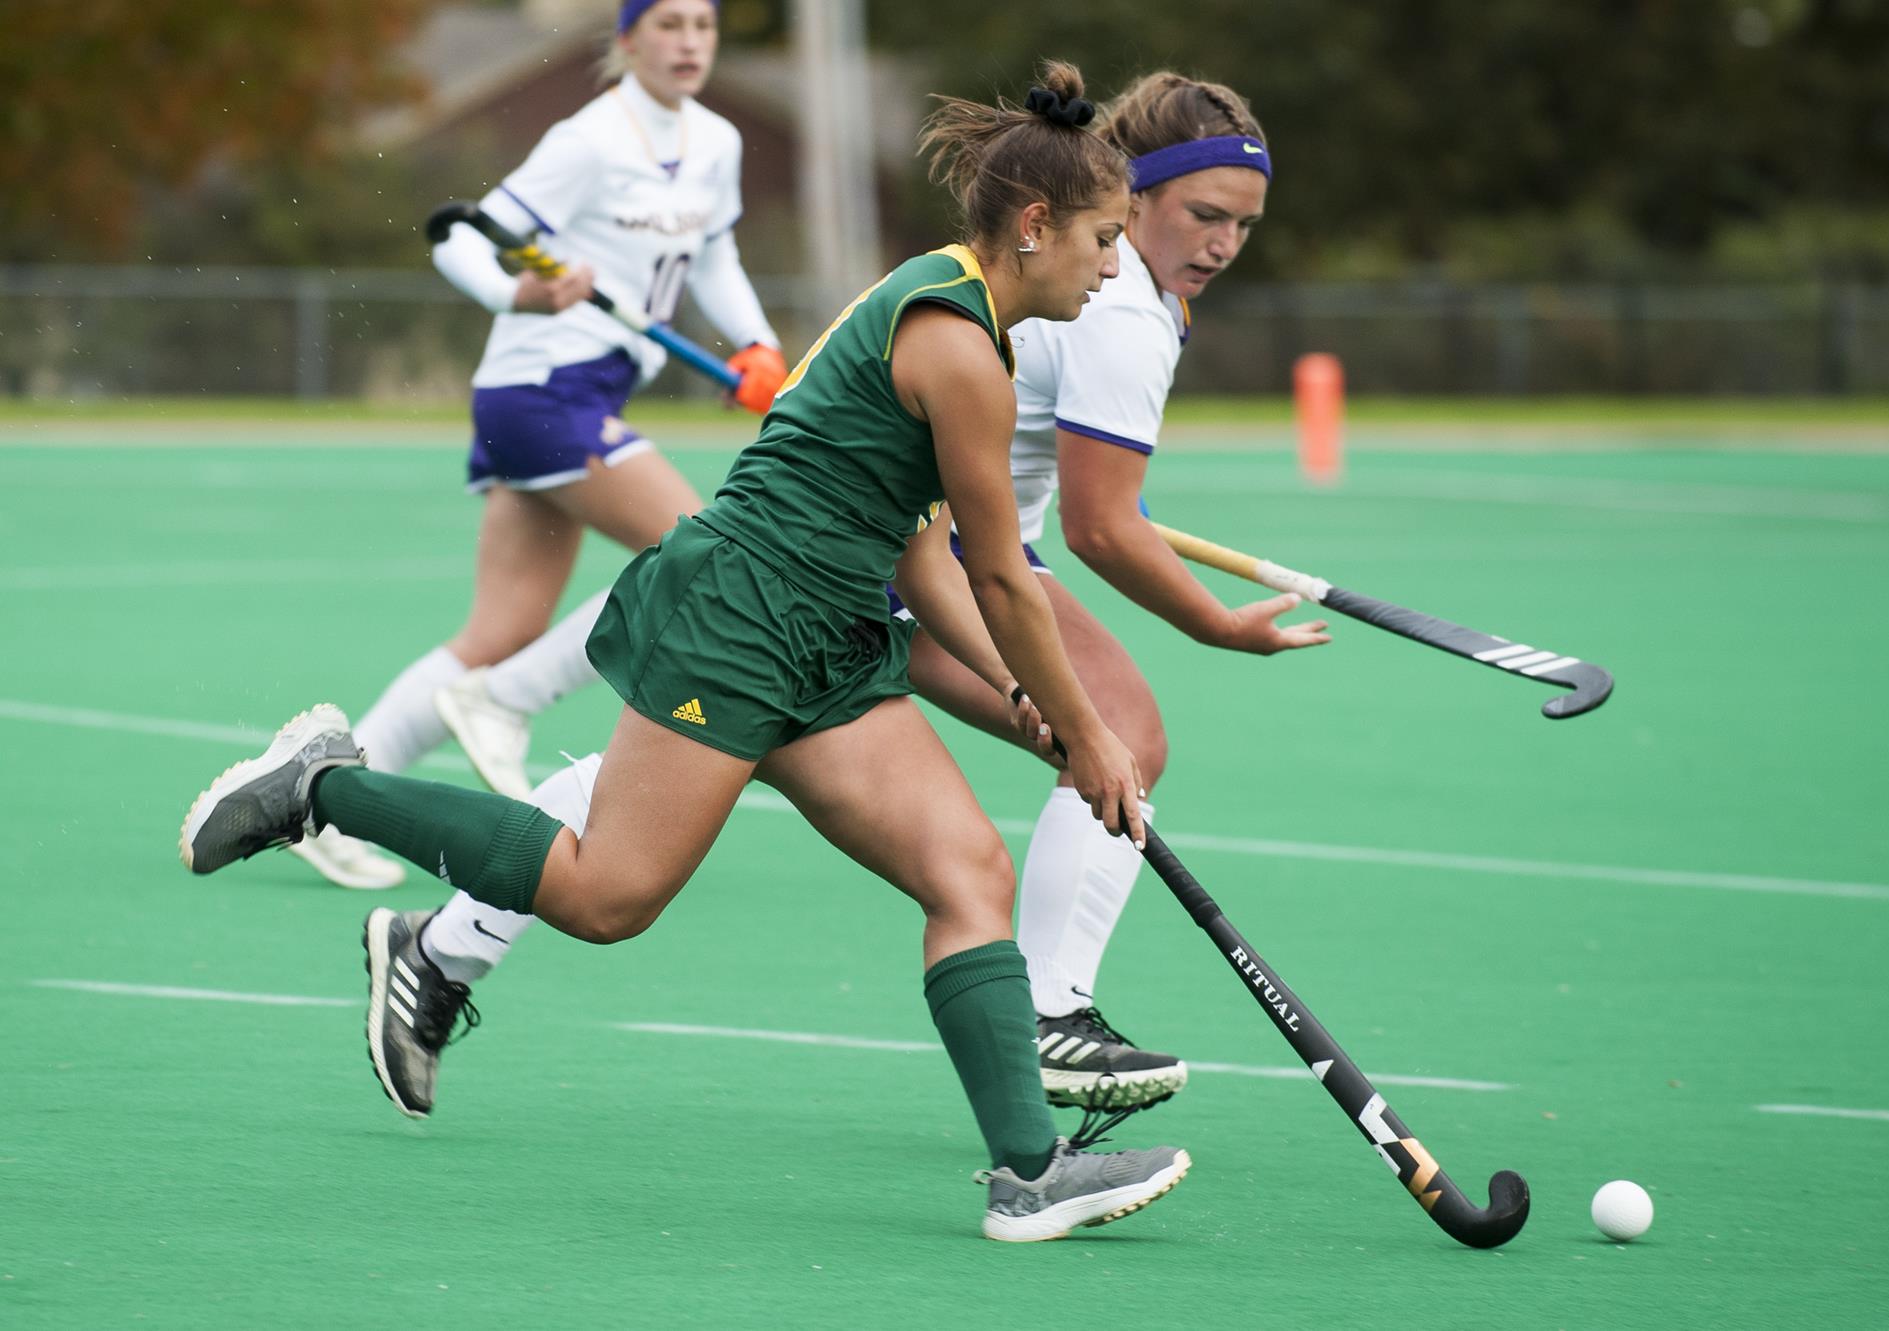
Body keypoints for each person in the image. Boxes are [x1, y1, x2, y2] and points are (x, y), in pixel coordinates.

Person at [181, 63, 1192, 1243]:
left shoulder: (967, 318)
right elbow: (1001, 572)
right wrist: (1086, 730)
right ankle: (322, 784)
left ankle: (1028, 1173)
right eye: (1102, 239)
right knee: (610, 896)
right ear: (1034, 227)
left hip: (833, 634)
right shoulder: (958, 345)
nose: (1115, 265)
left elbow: (922, 562)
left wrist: (1023, 697)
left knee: (967, 871)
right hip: (740, 612)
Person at [403, 69, 1325, 1114]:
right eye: (1200, 215)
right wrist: (1196, 633)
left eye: (1242, 226)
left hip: (917, 555)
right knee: (1106, 734)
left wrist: (1041, 675)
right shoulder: (1115, 314)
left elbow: (1056, 510)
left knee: (716, 771)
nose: (1219, 244)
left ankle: (446, 940)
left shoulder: (1067, 279)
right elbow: (1094, 523)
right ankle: (1050, 1013)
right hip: (880, 567)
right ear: (1121, 198)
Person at [290, 0, 786, 890]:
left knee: (502, 628)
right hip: (542, 388)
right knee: (703, 552)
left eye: (702, 27)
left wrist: (754, 347)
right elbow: (459, 237)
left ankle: (319, 795)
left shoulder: (716, 142)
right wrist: (523, 296)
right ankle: (504, 702)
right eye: (667, 25)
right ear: (627, 39)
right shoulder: (589, 138)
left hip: (578, 390)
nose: (688, 43)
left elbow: (714, 258)